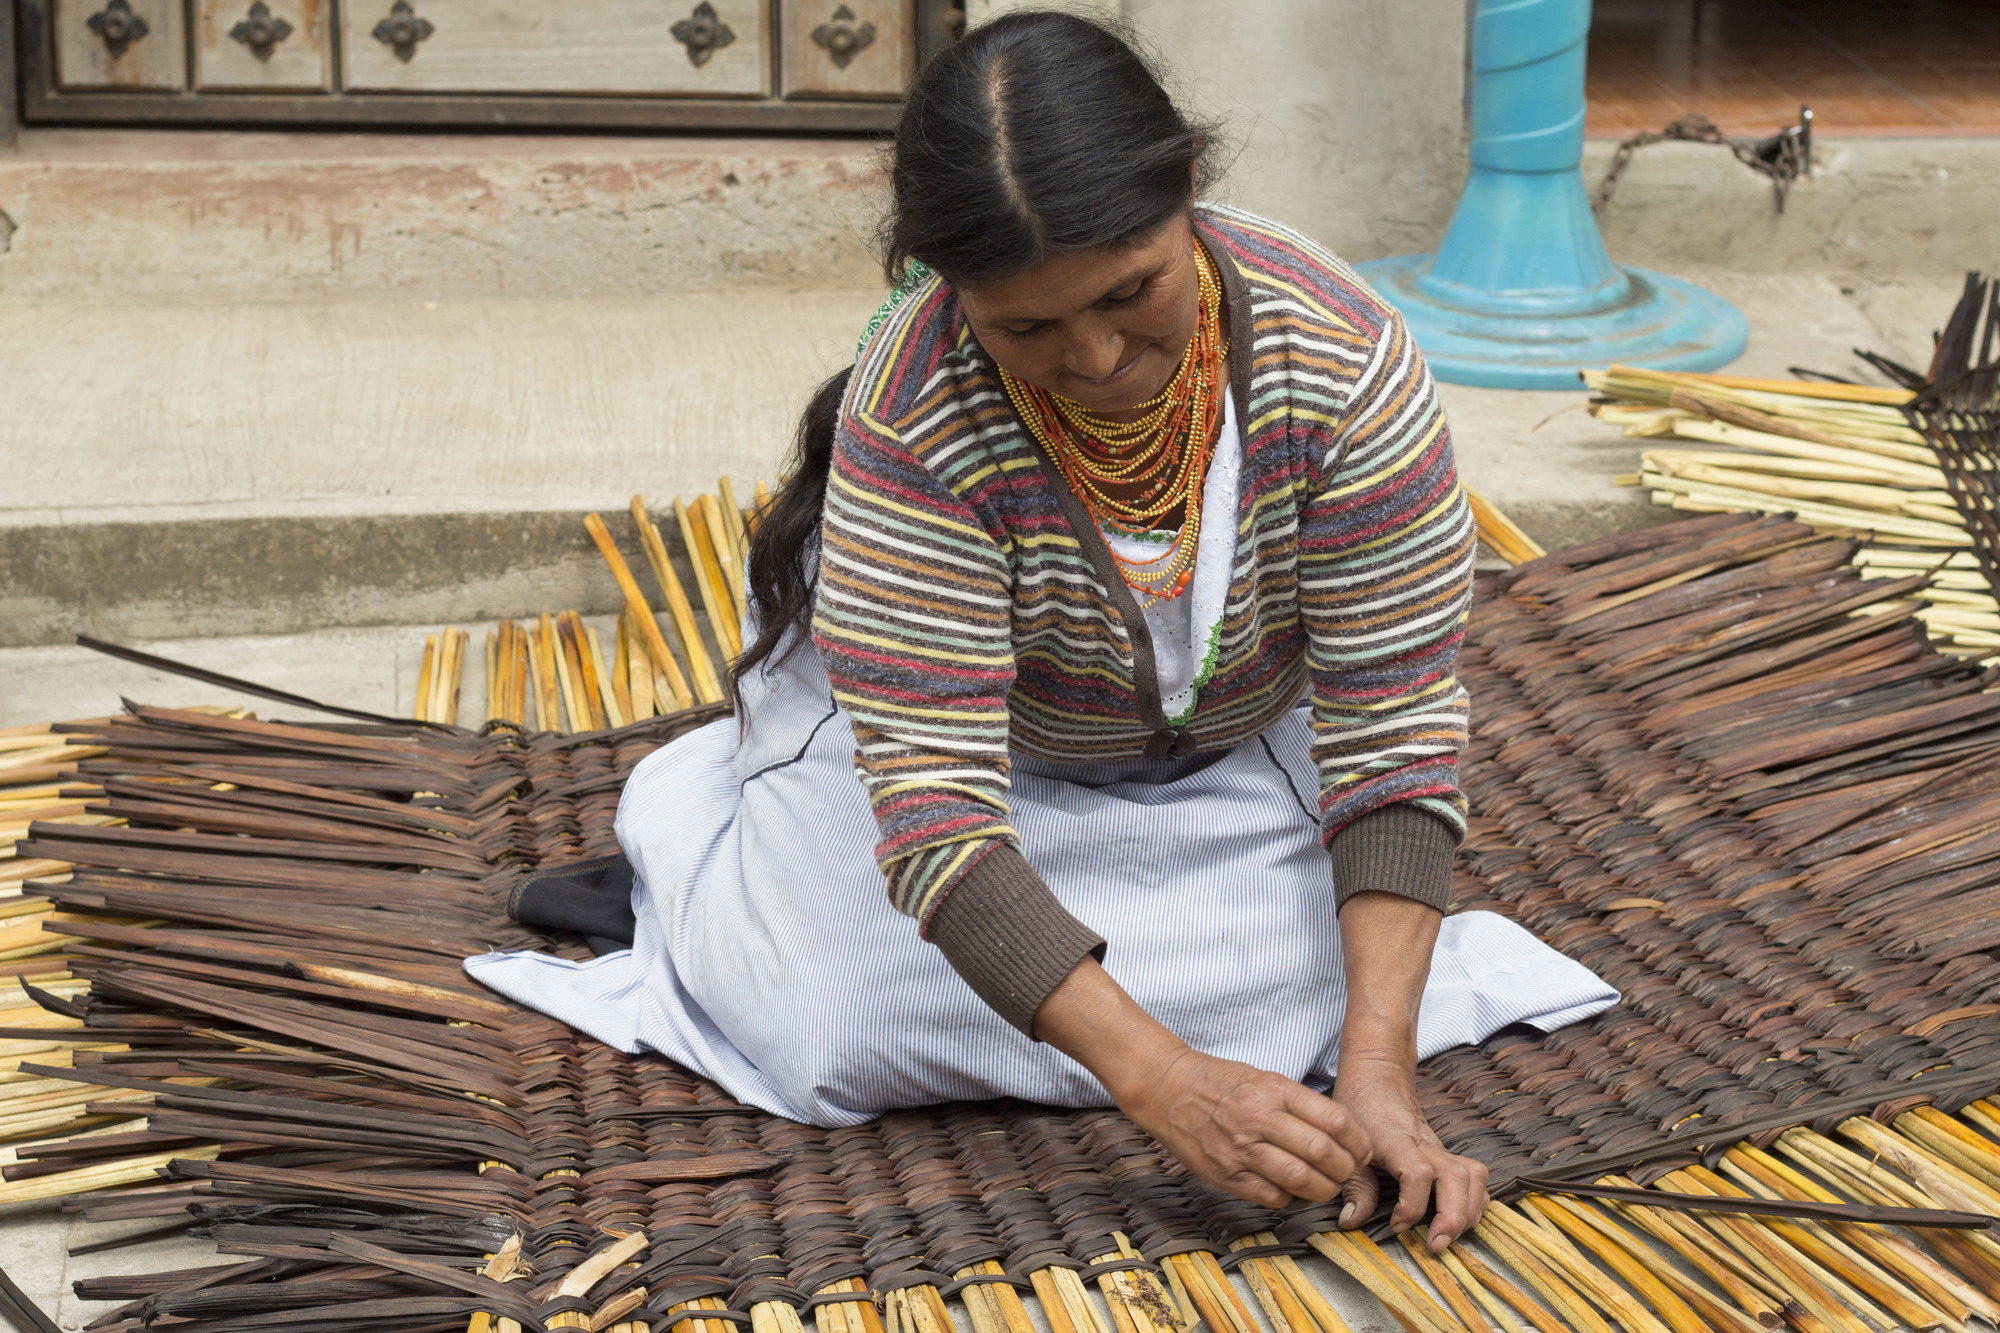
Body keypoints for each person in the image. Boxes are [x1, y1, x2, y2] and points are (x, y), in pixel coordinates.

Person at [467, 10, 1616, 1253]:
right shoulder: (914, 421)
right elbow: (938, 816)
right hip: (977, 758)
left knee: (1320, 1000)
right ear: (950, 288)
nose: (1100, 357)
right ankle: (701, 863)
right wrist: (1162, 1082)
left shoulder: (1339, 365)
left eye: (1132, 292)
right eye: (1027, 328)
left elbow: (1388, 734)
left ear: (1187, 187)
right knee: (832, 1026)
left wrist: (1378, 1073)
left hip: (1224, 748)